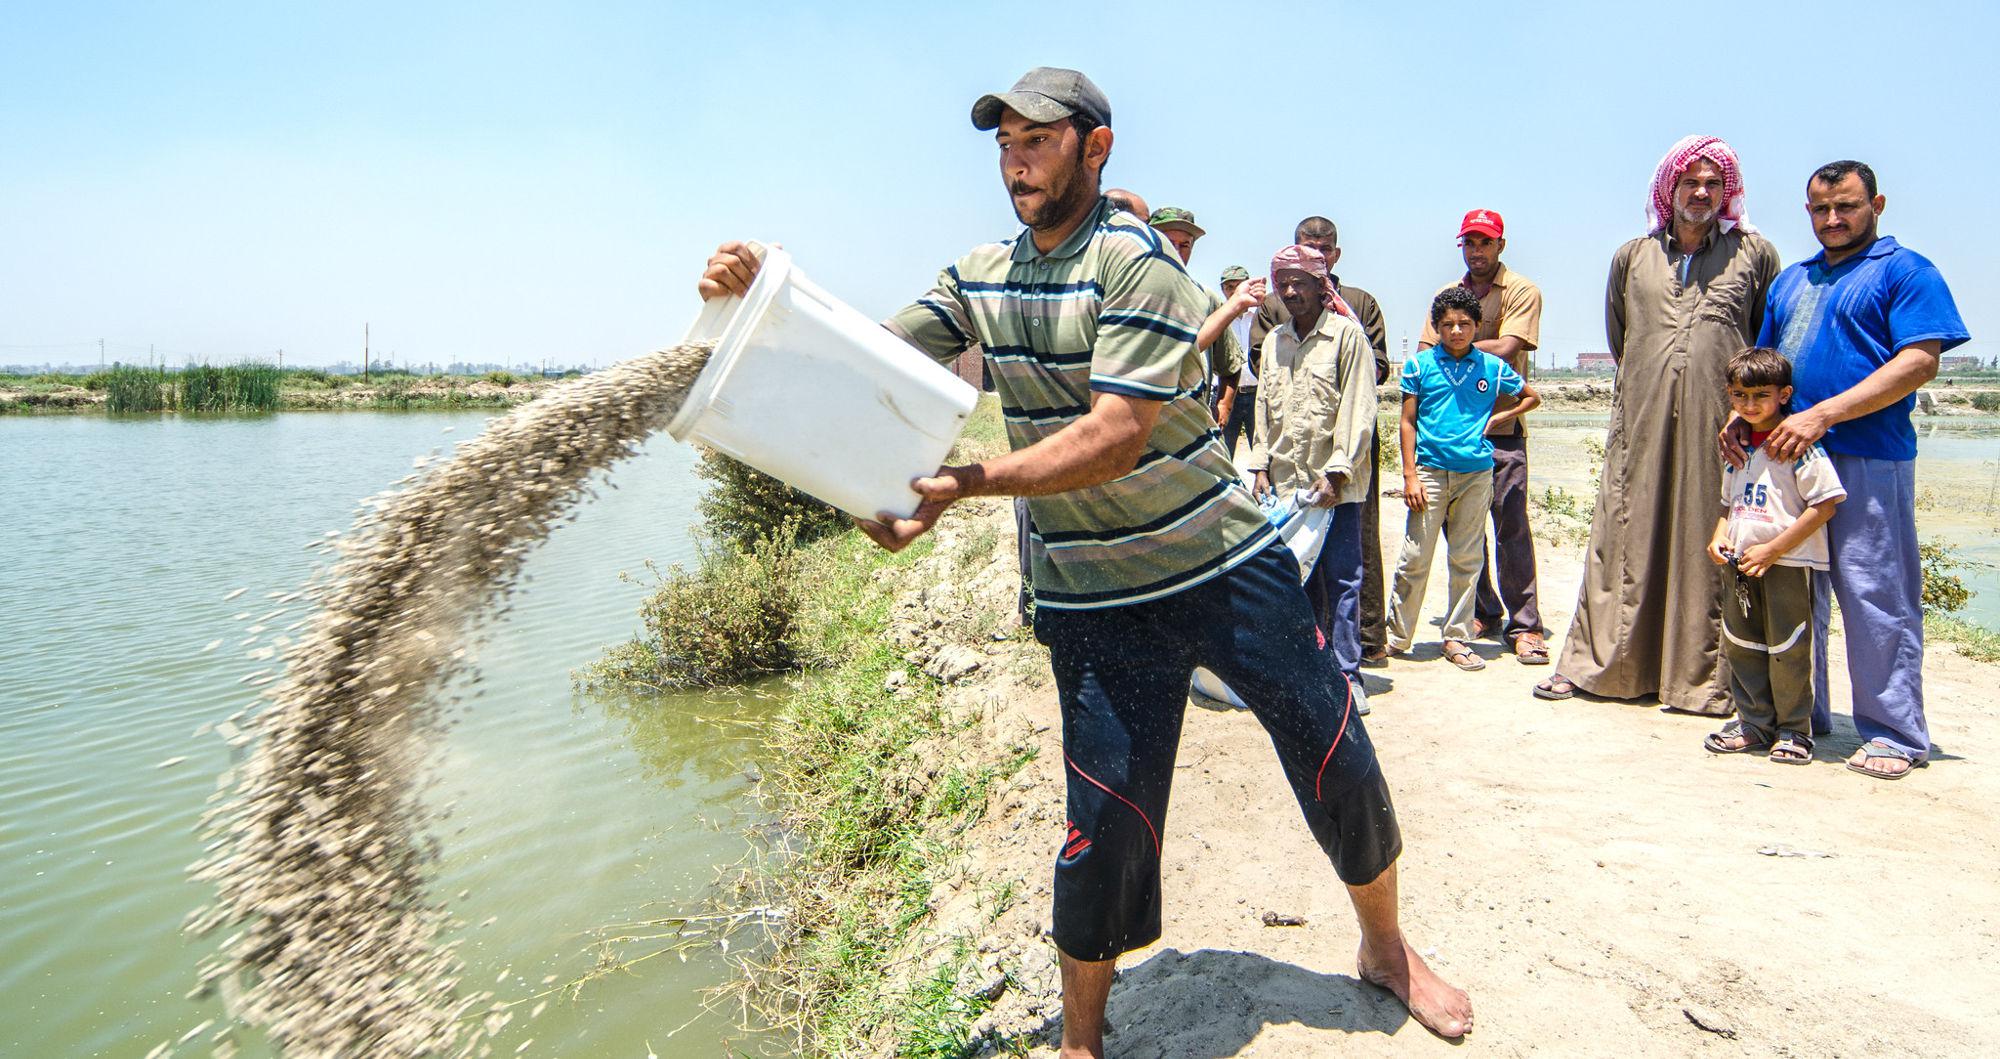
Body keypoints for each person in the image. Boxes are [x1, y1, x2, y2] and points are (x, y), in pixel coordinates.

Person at [699, 67, 1472, 1053]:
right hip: (1090, 595)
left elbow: (1115, 436)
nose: (1015, 163)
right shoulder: (978, 274)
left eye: (1037, 141)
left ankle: (1384, 950)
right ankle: (1078, 1037)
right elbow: (869, 360)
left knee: (1334, 750)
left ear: (1093, 147)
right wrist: (771, 298)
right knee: (1101, 819)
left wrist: (962, 484)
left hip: (1222, 565)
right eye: (1004, 146)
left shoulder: (1136, 263)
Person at [1726, 160, 1970, 780]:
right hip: (1787, 460)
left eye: (1847, 207)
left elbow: (1918, 362)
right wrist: (1741, 422)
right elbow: (1765, 369)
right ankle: (1800, 721)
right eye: (1820, 209)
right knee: (1795, 595)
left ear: (1877, 204)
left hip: (1870, 454)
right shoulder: (1791, 281)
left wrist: (1824, 415)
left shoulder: (1906, 271)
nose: (1832, 220)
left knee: (1874, 595)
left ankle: (1893, 733)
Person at [1538, 136, 1781, 713]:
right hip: (1642, 422)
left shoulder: (1755, 255)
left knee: (1710, 538)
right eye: (1689, 183)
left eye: (1712, 184)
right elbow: (1622, 339)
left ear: (1727, 193)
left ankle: (1703, 683)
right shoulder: (1632, 256)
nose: (1700, 193)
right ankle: (1605, 667)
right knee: (1625, 533)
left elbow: (1765, 343)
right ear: (1667, 190)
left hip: (1720, 430)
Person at [1253, 216, 1394, 664]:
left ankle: (1348, 673)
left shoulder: (1347, 334)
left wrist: (1337, 472)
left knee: (1343, 579)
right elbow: (1263, 409)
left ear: (1321, 284)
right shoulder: (1275, 339)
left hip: (1335, 485)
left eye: (1300, 284)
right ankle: (1312, 672)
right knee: (1295, 579)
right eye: (1284, 285)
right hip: (1288, 485)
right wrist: (1258, 464)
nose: (1291, 293)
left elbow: (1358, 408)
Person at [1416, 210, 1547, 664]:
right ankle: (1485, 609)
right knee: (1463, 531)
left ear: (1500, 246)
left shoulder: (1522, 291)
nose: (1477, 251)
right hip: (1450, 438)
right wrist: (1460, 350)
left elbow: (1509, 349)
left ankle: (1525, 624)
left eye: (1485, 243)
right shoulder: (1446, 296)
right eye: (1469, 243)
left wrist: (1453, 348)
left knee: (1510, 522)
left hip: (1502, 427)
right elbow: (1421, 358)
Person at [1703, 348, 1845, 765]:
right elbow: (1728, 506)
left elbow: (1826, 505)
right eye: (1740, 396)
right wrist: (1718, 537)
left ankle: (1794, 731)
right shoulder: (1738, 448)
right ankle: (1754, 723)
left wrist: (1774, 548)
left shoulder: (1800, 447)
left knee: (1790, 647)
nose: (1749, 405)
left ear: (1784, 395)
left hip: (1789, 564)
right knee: (1742, 643)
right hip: (1742, 564)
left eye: (1760, 396)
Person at [1390, 287, 1539, 670]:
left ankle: (1456, 638)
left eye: (1464, 324)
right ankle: (1396, 636)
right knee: (1415, 557)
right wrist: (1410, 475)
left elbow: (1530, 397)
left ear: (1475, 327)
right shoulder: (1419, 366)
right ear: (1437, 328)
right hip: (1430, 472)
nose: (1456, 331)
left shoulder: (1491, 367)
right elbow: (1407, 422)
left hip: (1476, 473)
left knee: (1467, 558)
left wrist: (1497, 420)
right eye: (1448, 325)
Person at [1148, 206, 1245, 433]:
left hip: (1193, 425)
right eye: (1169, 243)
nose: (1177, 252)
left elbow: (1230, 365)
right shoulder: (1127, 294)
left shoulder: (1206, 299)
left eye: (1185, 245)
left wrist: (1223, 405)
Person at [1216, 264, 1258, 446]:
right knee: (1223, 451)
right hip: (1227, 397)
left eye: (1239, 285)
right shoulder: (1218, 319)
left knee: (1263, 454)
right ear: (1222, 290)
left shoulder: (1261, 315)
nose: (1234, 291)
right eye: (1229, 287)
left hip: (1258, 394)